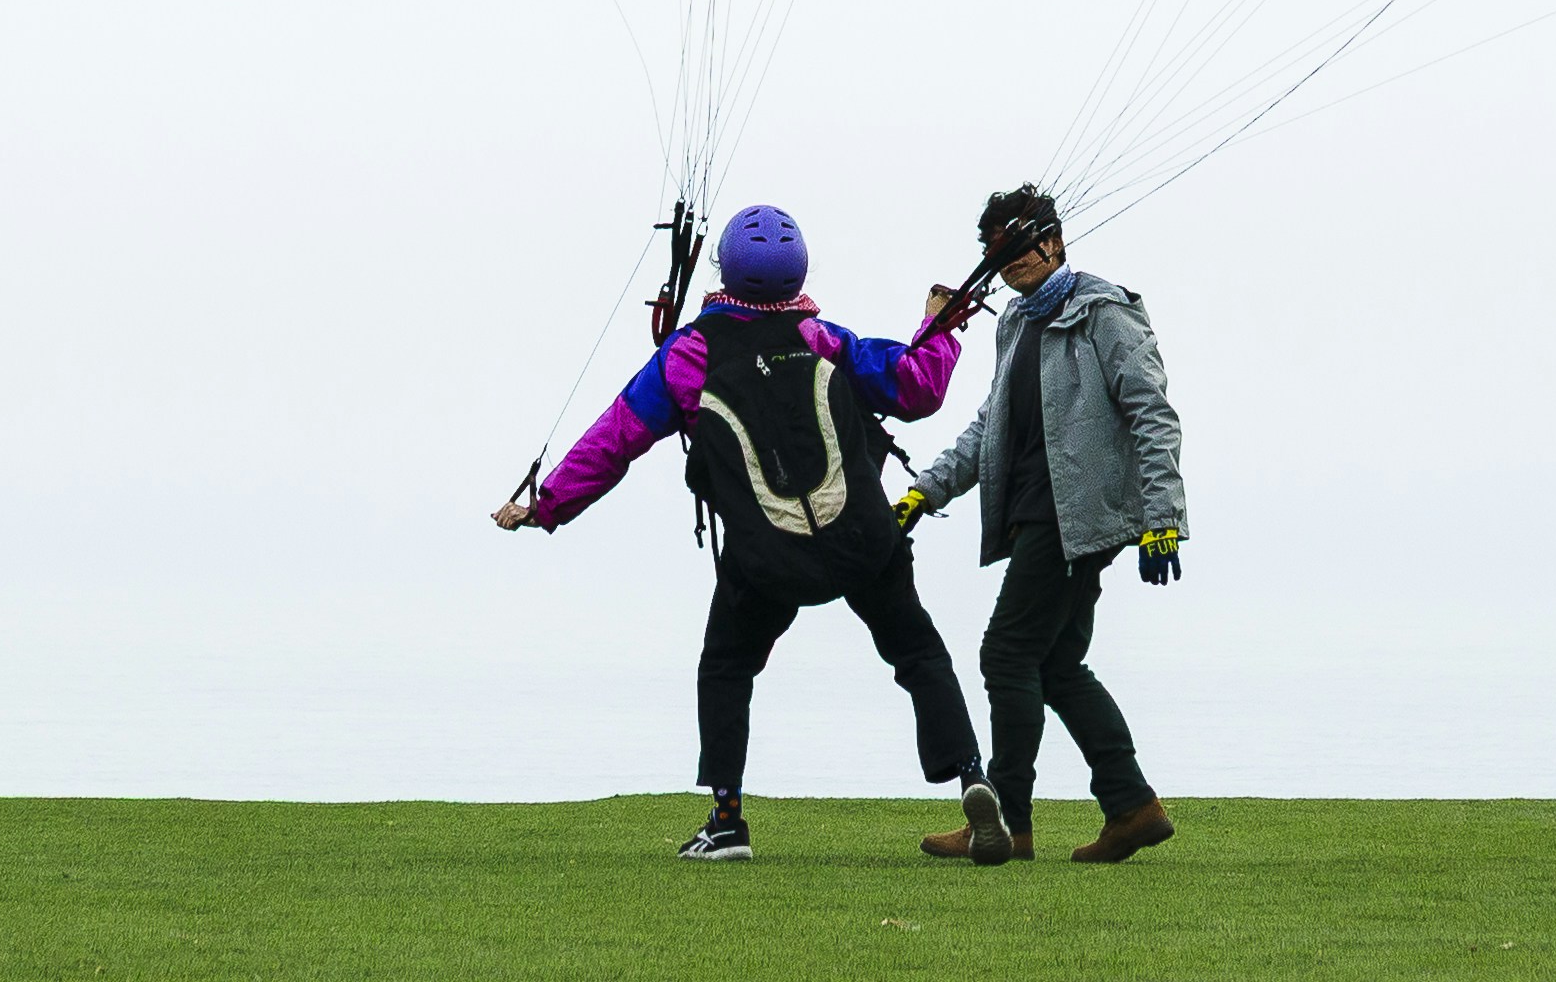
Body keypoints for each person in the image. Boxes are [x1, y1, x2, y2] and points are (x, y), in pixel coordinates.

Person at [495, 202, 1002, 865]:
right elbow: (915, 388)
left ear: (725, 271)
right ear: (799, 275)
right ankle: (971, 777)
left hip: (767, 555)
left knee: (728, 666)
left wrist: (547, 504)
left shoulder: (690, 354)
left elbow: (616, 438)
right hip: (862, 537)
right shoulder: (822, 340)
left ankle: (728, 822)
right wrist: (939, 329)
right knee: (918, 651)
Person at [898, 183, 1186, 865]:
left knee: (1005, 654)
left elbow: (1152, 414)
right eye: (999, 253)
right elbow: (988, 427)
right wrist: (923, 493)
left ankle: (1007, 822)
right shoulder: (1016, 323)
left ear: (1054, 241)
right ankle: (1132, 808)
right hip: (1034, 514)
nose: (1014, 261)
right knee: (1056, 666)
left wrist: (1163, 520)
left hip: (1076, 516)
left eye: (1023, 245)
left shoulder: (1103, 312)